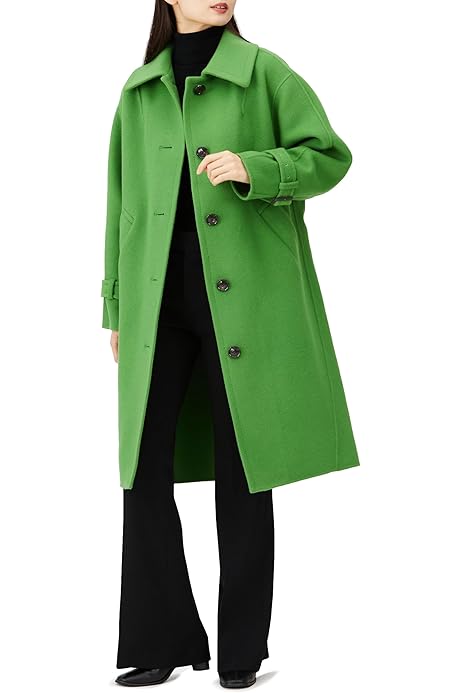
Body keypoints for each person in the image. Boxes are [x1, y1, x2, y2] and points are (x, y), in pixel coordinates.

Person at [101, 0, 360, 689]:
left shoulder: (264, 73)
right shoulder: (139, 91)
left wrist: (256, 167)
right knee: (141, 469)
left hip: (244, 300)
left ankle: (242, 650)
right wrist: (116, 307)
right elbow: (120, 205)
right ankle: (159, 640)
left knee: (243, 468)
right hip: (157, 302)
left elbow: (330, 156)